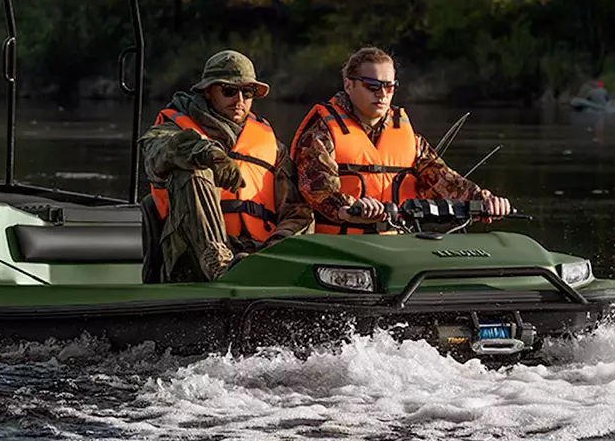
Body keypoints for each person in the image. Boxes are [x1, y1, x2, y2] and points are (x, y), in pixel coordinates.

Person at [291, 46, 511, 232]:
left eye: (389, 86)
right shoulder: (321, 132)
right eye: (372, 86)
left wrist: (482, 201)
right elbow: (319, 190)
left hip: (399, 242)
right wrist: (351, 207)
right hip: (340, 246)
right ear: (349, 85)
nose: (382, 94)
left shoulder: (407, 135)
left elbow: (441, 178)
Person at [140, 50, 313, 282]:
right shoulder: (174, 128)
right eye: (230, 91)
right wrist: (205, 153)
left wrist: (272, 253)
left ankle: (265, 267)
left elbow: (296, 210)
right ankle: (219, 264)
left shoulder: (271, 145)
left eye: (248, 92)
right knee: (193, 171)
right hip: (189, 256)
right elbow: (155, 157)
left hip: (256, 257)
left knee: (306, 208)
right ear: (209, 91)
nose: (240, 100)